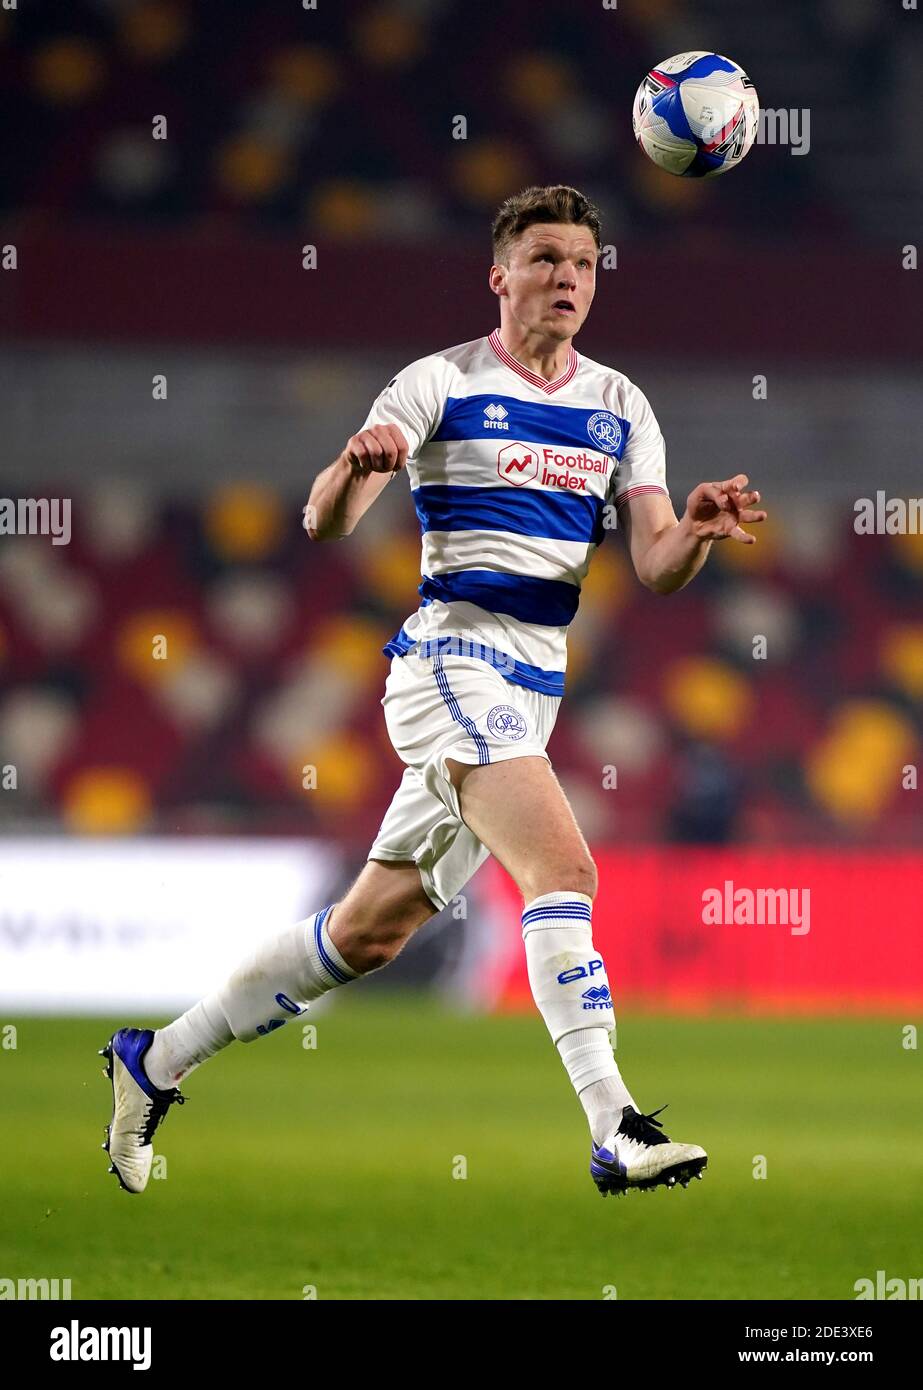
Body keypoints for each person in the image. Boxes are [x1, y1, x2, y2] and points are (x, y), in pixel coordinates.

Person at [101, 184, 766, 1198]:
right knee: (564, 872)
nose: (565, 280)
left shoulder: (618, 405)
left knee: (362, 934)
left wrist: (697, 529)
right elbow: (326, 521)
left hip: (532, 685)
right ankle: (612, 1123)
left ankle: (153, 1061)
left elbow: (654, 561)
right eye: (544, 260)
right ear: (498, 275)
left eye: (582, 265)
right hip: (451, 664)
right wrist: (348, 469)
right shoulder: (437, 383)